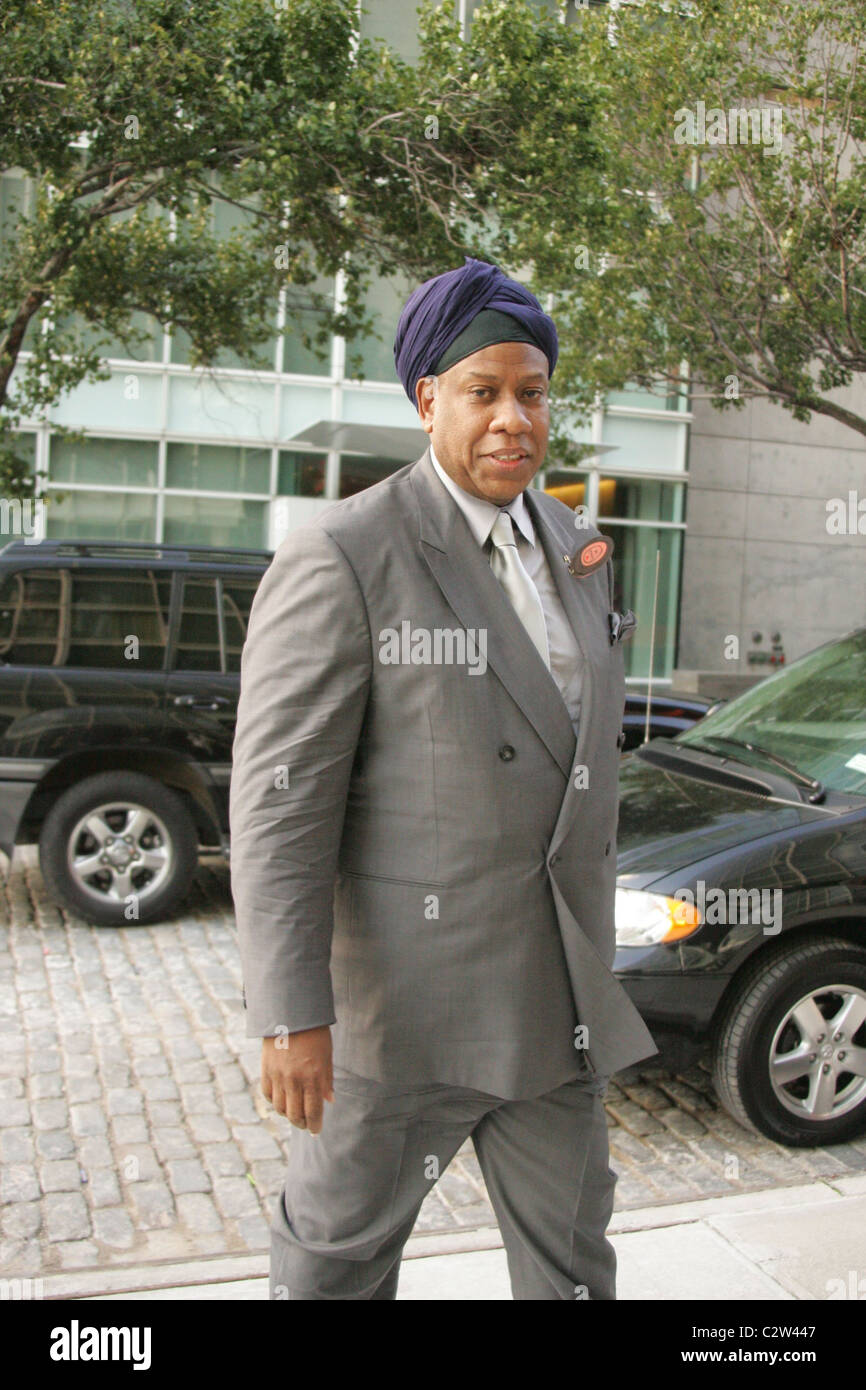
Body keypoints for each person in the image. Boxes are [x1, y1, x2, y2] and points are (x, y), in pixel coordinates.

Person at [229, 256, 658, 1301]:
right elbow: (281, 804)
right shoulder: (345, 551)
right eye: (483, 392)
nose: (514, 417)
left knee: (571, 1268)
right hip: (403, 1017)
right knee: (334, 1266)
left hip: (554, 1002)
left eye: (532, 391)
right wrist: (289, 1014)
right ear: (426, 402)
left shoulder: (572, 540)